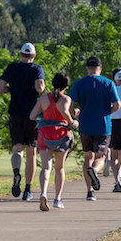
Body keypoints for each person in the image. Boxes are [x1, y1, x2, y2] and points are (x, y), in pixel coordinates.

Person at [0, 43, 46, 201]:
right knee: (31, 153)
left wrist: (13, 89)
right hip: (31, 114)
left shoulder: (11, 68)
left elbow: (0, 89)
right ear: (34, 55)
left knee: (17, 149)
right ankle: (28, 189)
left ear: (20, 54)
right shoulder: (37, 69)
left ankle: (16, 173)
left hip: (15, 113)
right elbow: (40, 88)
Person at [69, 56, 120, 201]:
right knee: (101, 157)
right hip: (103, 125)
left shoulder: (79, 83)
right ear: (100, 67)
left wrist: (74, 114)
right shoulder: (108, 83)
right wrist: (107, 112)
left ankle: (90, 191)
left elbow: (70, 104)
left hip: (85, 124)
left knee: (88, 157)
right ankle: (95, 170)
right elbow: (117, 105)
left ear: (87, 67)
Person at [29, 72, 79, 210]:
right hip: (61, 134)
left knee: (45, 167)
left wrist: (43, 117)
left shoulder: (43, 98)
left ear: (52, 83)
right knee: (59, 167)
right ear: (66, 86)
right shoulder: (66, 99)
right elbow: (64, 111)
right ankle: (57, 199)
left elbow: (32, 116)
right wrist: (72, 122)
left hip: (44, 133)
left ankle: (43, 193)